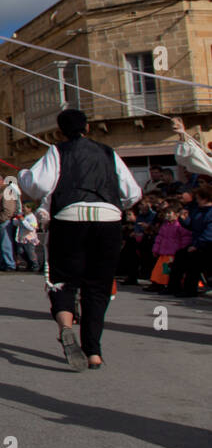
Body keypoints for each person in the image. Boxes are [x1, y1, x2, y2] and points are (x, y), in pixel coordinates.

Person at [18, 108, 140, 371]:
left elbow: (38, 186)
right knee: (98, 286)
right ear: (87, 128)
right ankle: (94, 351)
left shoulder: (58, 151)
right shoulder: (108, 152)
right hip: (108, 219)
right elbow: (132, 192)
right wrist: (115, 204)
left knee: (63, 279)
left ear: (60, 131)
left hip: (70, 217)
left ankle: (65, 326)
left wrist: (23, 176)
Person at [168, 184, 212, 297]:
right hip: (198, 244)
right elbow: (192, 226)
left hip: (206, 246)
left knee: (194, 261)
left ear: (205, 198)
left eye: (198, 198)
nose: (196, 201)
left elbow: (209, 233)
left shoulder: (210, 213)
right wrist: (184, 220)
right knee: (180, 256)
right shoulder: (199, 211)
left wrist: (196, 245)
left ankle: (190, 289)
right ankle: (173, 287)